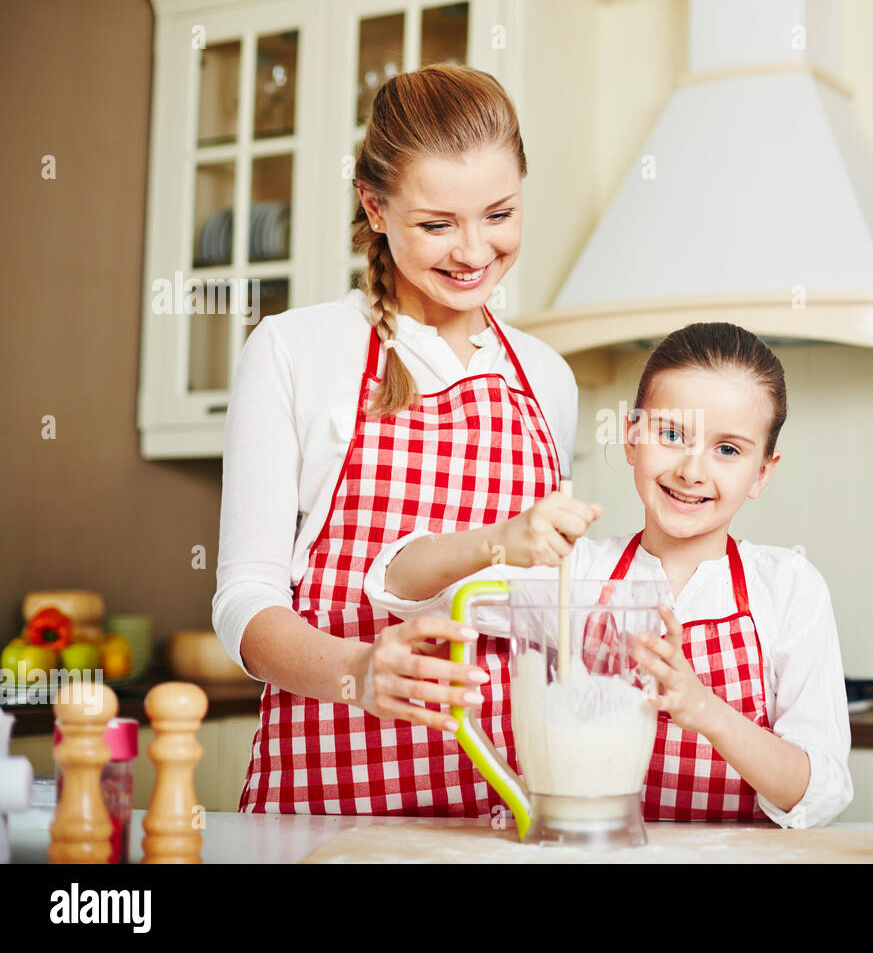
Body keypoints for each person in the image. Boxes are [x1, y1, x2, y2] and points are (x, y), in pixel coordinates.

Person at [213, 64, 602, 815]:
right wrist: (360, 669)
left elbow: (534, 597)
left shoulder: (546, 378)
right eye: (436, 224)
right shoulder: (297, 350)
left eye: (499, 214)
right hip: (329, 797)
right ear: (375, 207)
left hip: (504, 805)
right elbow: (244, 603)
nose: (472, 251)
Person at [369, 322, 853, 827]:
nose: (692, 470)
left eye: (727, 449)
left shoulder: (789, 586)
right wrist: (502, 539)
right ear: (632, 438)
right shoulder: (575, 576)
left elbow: (818, 791)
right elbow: (402, 585)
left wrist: (704, 709)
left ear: (762, 473)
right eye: (671, 434)